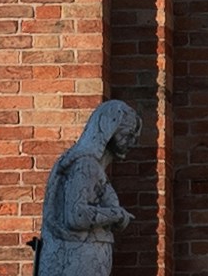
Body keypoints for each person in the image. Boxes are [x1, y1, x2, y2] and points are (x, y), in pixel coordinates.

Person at [34, 101, 140, 276]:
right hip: (74, 263)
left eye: (134, 136)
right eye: (127, 134)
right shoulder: (85, 164)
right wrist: (117, 214)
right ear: (109, 130)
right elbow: (76, 216)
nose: (132, 142)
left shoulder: (92, 166)